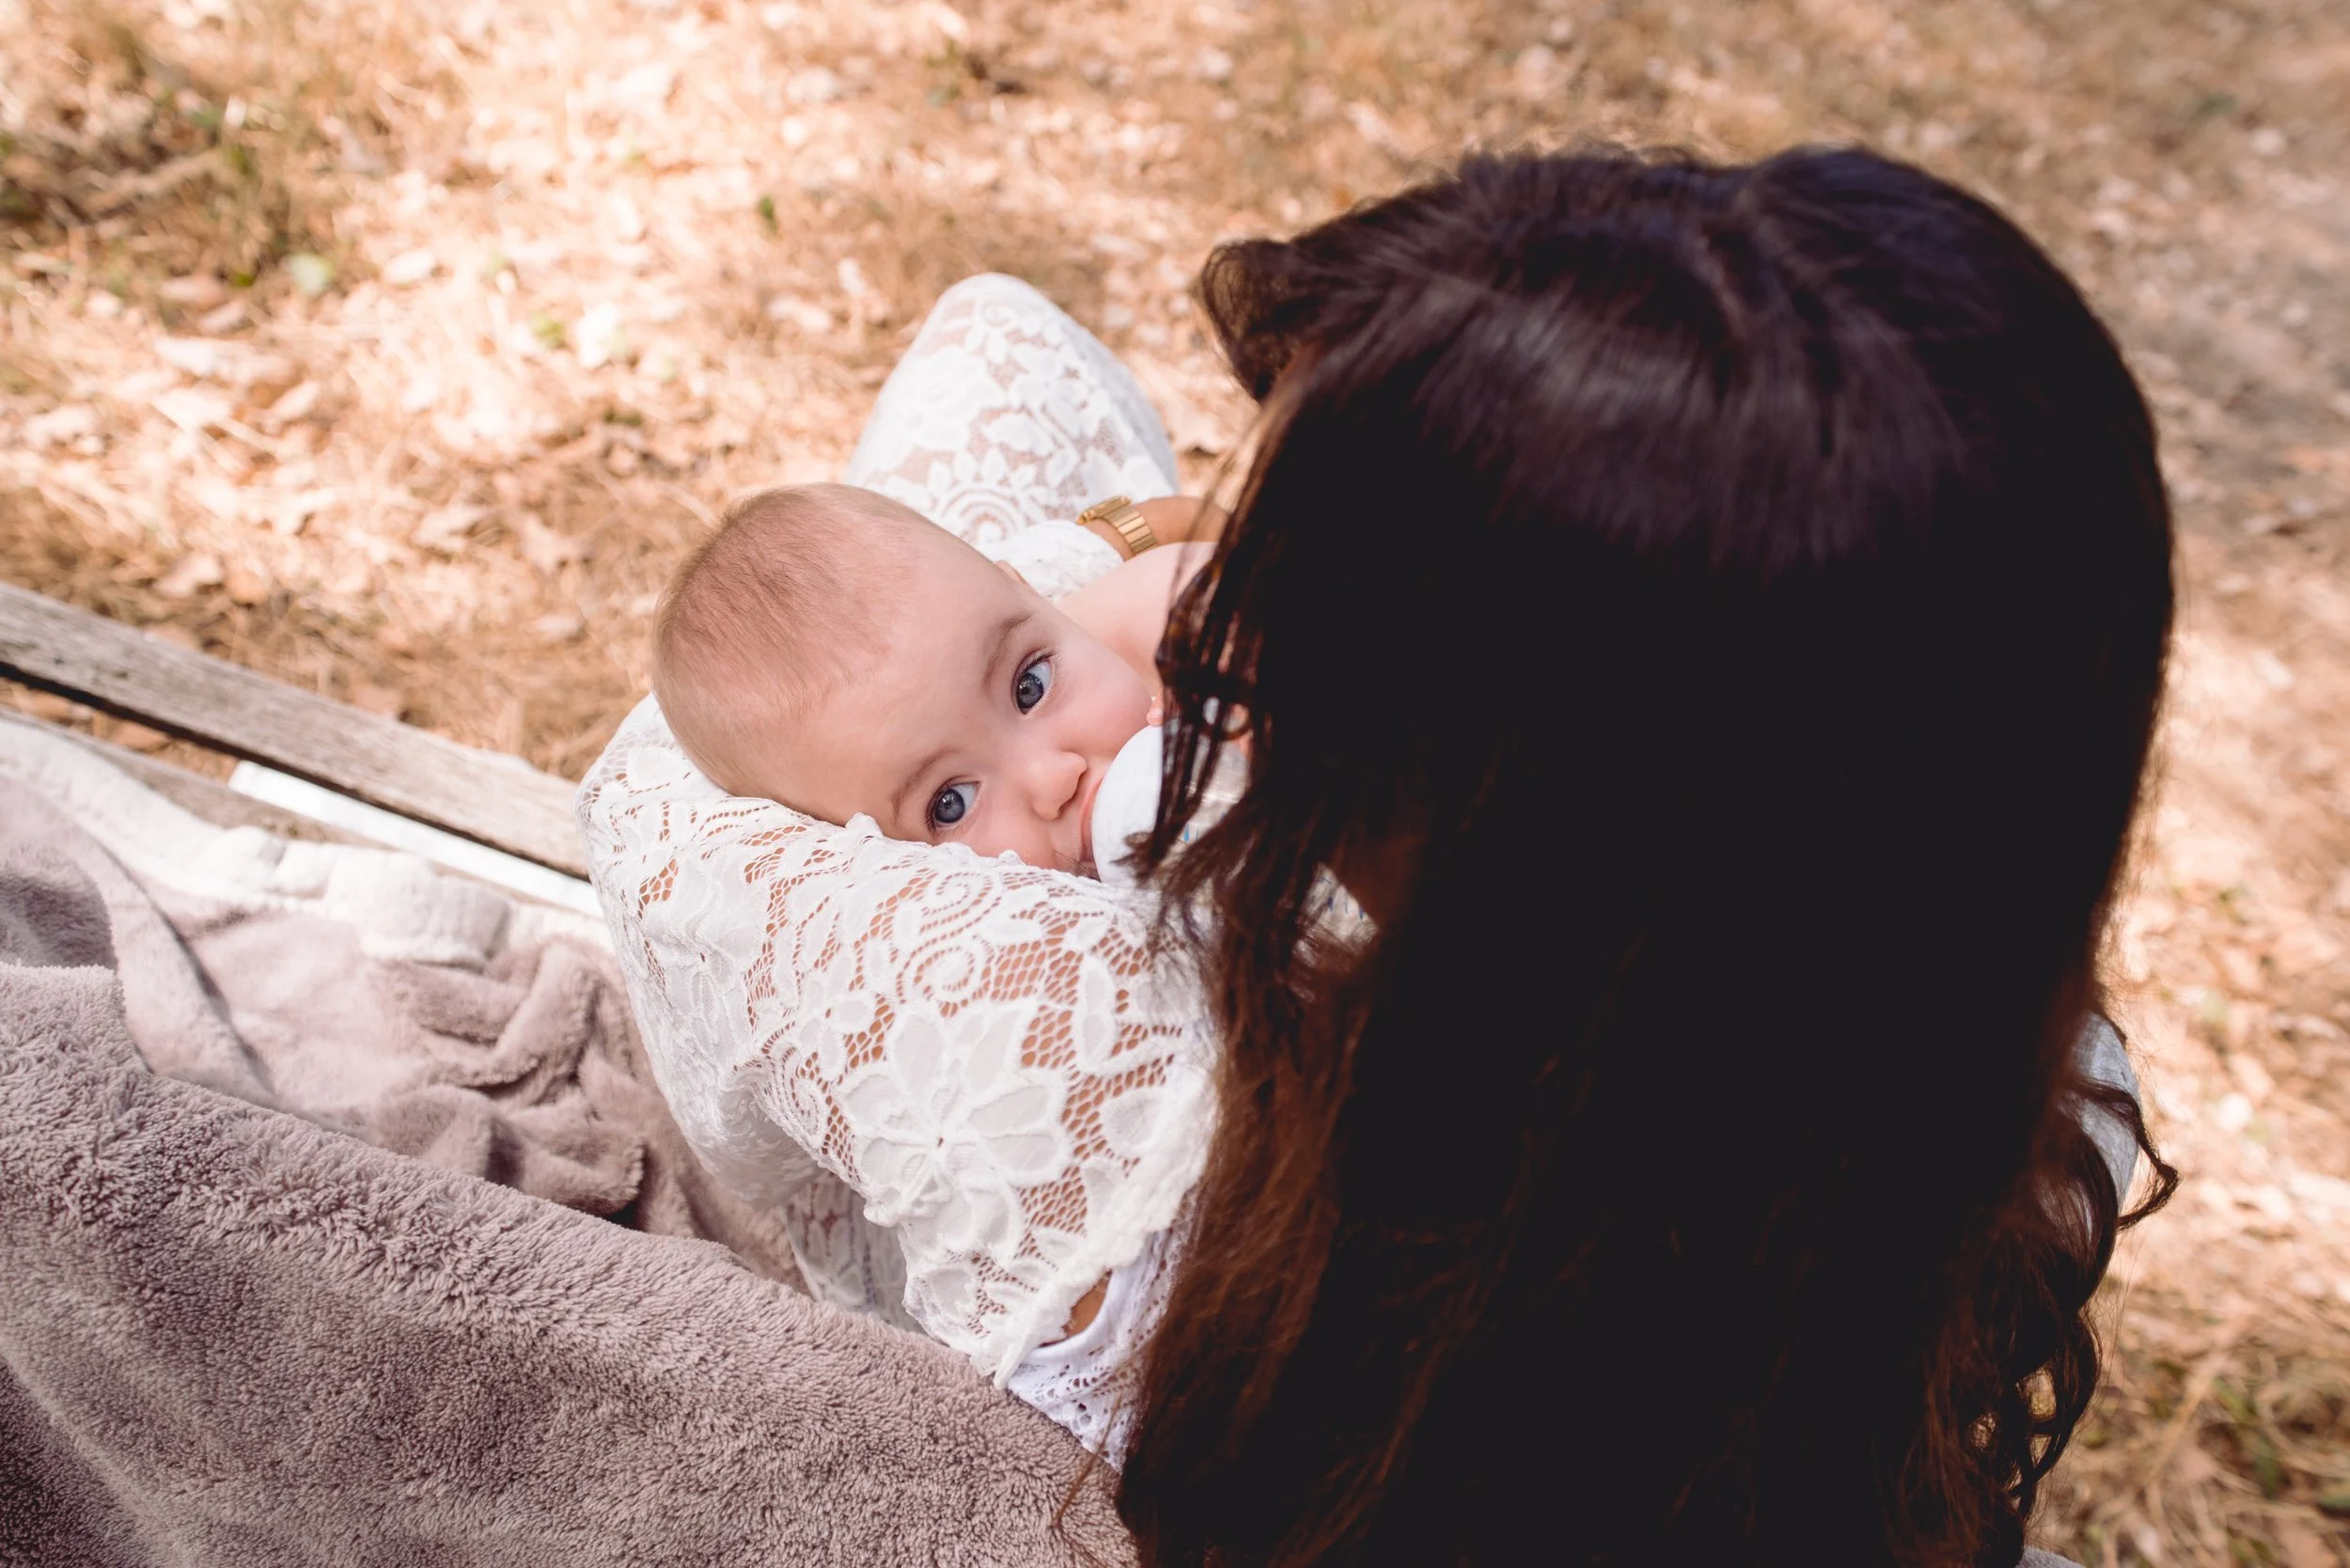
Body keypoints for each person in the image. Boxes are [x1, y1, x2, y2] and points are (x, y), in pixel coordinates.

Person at [581, 145, 2176, 1566]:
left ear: (1545, 850)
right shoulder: (1935, 1075)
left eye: (1294, 632)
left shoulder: (1292, 1264)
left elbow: (659, 808)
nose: (1199, 674)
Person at [647, 481, 1214, 876]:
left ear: (1032, 592)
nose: (1053, 781)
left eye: (1029, 687)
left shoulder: (1179, 625)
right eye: (951, 803)